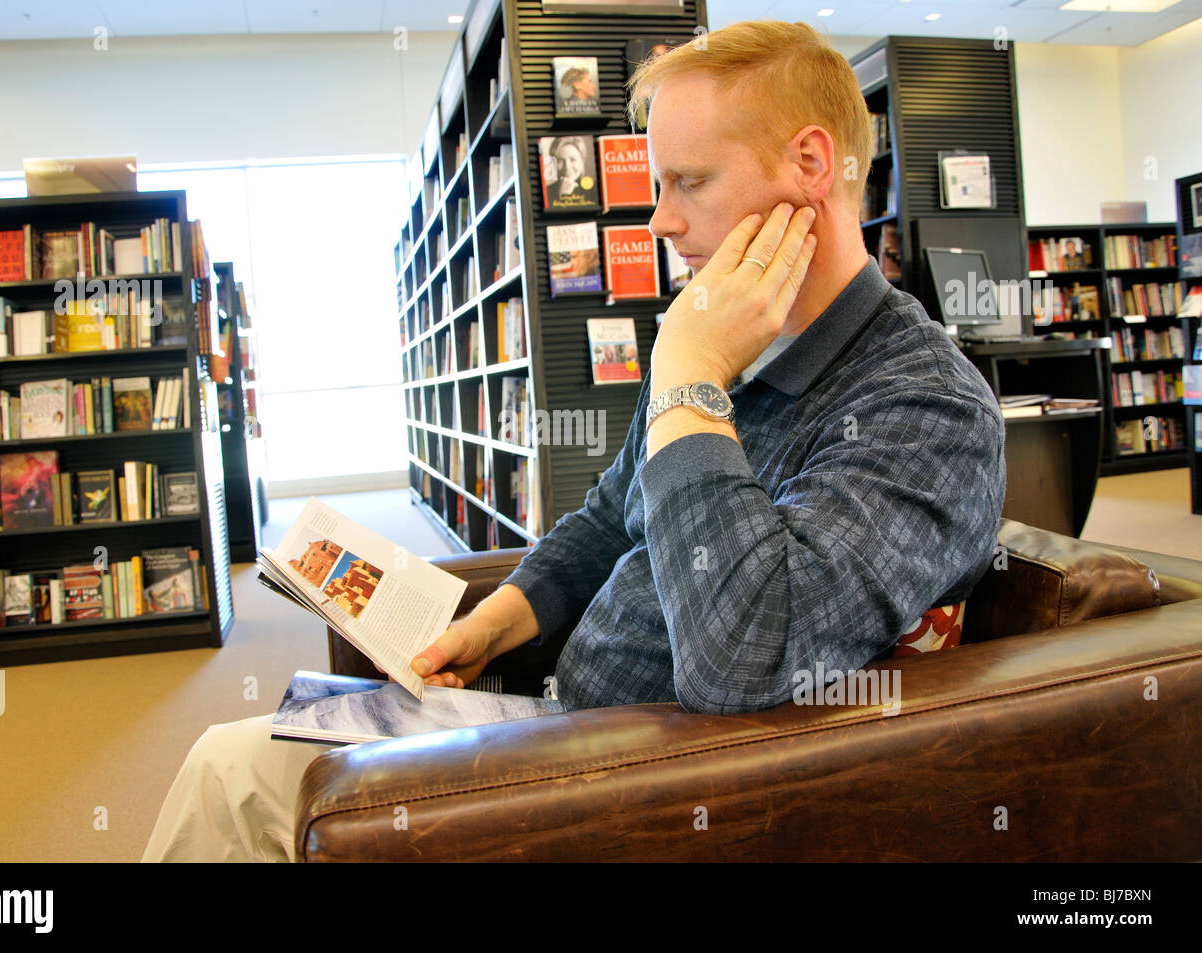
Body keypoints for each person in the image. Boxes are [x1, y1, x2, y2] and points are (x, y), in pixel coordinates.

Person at [143, 20, 1005, 862]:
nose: (661, 221)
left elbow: (745, 659)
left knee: (233, 772)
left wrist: (691, 378)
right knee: (241, 753)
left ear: (811, 164)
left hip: (631, 782)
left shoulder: (925, 406)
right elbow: (606, 519)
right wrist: (498, 620)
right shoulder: (723, 343)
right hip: (561, 721)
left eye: (689, 181)